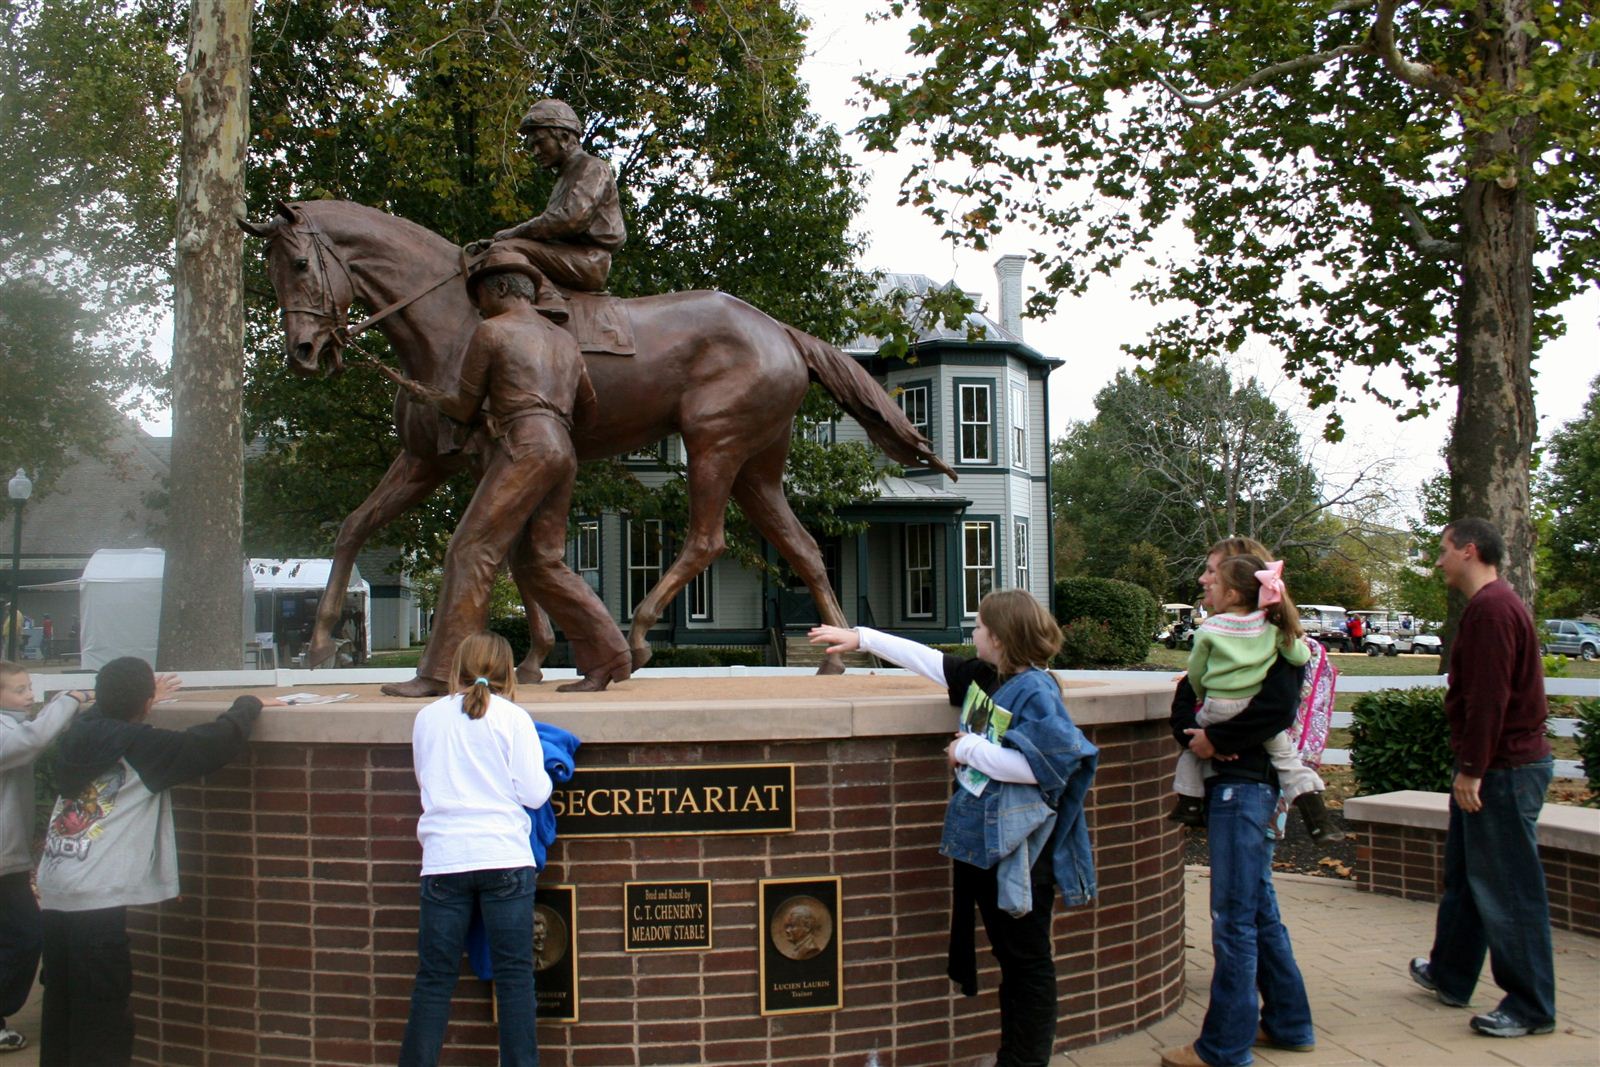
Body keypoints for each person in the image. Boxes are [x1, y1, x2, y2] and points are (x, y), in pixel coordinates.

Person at [810, 589, 1098, 1067]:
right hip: (989, 844)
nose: (974, 633)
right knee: (1012, 958)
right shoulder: (989, 677)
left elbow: (1051, 765)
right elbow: (929, 661)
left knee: (1027, 962)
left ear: (1000, 637)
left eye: (980, 626)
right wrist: (861, 638)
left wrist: (966, 750)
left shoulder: (1036, 690)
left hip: (1024, 854)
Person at [378, 254, 632, 696]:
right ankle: (609, 655)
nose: (477, 308)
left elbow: (463, 407)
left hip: (524, 447)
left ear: (499, 289)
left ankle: (440, 673)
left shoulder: (492, 332)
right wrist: (549, 418)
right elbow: (589, 409)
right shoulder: (565, 341)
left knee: (470, 550)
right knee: (540, 561)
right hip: (562, 449)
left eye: (478, 296)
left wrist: (426, 395)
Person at [35, 657, 266, 1067]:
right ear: (146, 702)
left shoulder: (81, 733)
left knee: (62, 1006)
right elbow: (211, 744)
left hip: (56, 888)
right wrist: (248, 704)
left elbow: (110, 712)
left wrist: (137, 697)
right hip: (97, 897)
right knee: (102, 1017)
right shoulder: (141, 747)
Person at [1160, 537, 1317, 1067]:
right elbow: (1187, 696)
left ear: (1240, 583)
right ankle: (1289, 1023)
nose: (1204, 580)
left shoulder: (1280, 639)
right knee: (1257, 909)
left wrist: (1218, 740)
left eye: (1212, 571)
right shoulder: (1223, 637)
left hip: (1246, 789)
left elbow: (1276, 710)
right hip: (1233, 783)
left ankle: (1224, 1047)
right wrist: (1196, 737)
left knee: (1233, 919)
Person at [1408, 518, 1555, 1039]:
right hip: (1497, 766)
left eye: (1444, 550)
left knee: (1509, 889)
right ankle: (1450, 973)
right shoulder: (1488, 606)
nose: (1438, 561)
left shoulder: (1493, 610)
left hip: (1504, 770)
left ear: (1469, 551)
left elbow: (1490, 698)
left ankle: (1531, 1006)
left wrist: (1473, 769)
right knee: (1468, 875)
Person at [399, 631, 552, 1067]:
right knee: (514, 977)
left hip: (444, 859)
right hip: (504, 857)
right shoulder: (514, 718)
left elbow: (426, 781)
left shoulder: (427, 718)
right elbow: (535, 792)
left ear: (457, 668)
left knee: (434, 979)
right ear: (507, 671)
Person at [1167, 555, 1341, 843]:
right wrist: (1294, 642)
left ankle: (1190, 804)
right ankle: (1316, 815)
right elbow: (1300, 656)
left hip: (1218, 705)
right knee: (1287, 759)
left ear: (1232, 594)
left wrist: (1203, 694)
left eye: (1215, 581)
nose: (1208, 585)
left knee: (1192, 753)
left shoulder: (1211, 628)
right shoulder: (1273, 629)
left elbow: (1195, 671)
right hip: (1251, 706)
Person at [0, 665, 92, 1053]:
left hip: (8, 861)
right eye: (19, 689)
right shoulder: (7, 732)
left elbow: (37, 731)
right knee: (26, 936)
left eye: (29, 688)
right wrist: (68, 699)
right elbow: (33, 739)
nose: (29, 695)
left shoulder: (11, 725)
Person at [470, 98, 626, 323]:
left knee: (506, 248)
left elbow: (570, 220)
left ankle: (550, 299)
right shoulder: (566, 176)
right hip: (569, 255)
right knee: (500, 249)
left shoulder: (592, 168)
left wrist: (514, 234)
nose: (535, 151)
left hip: (590, 261)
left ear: (564, 137)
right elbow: (552, 230)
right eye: (532, 146)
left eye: (540, 143)